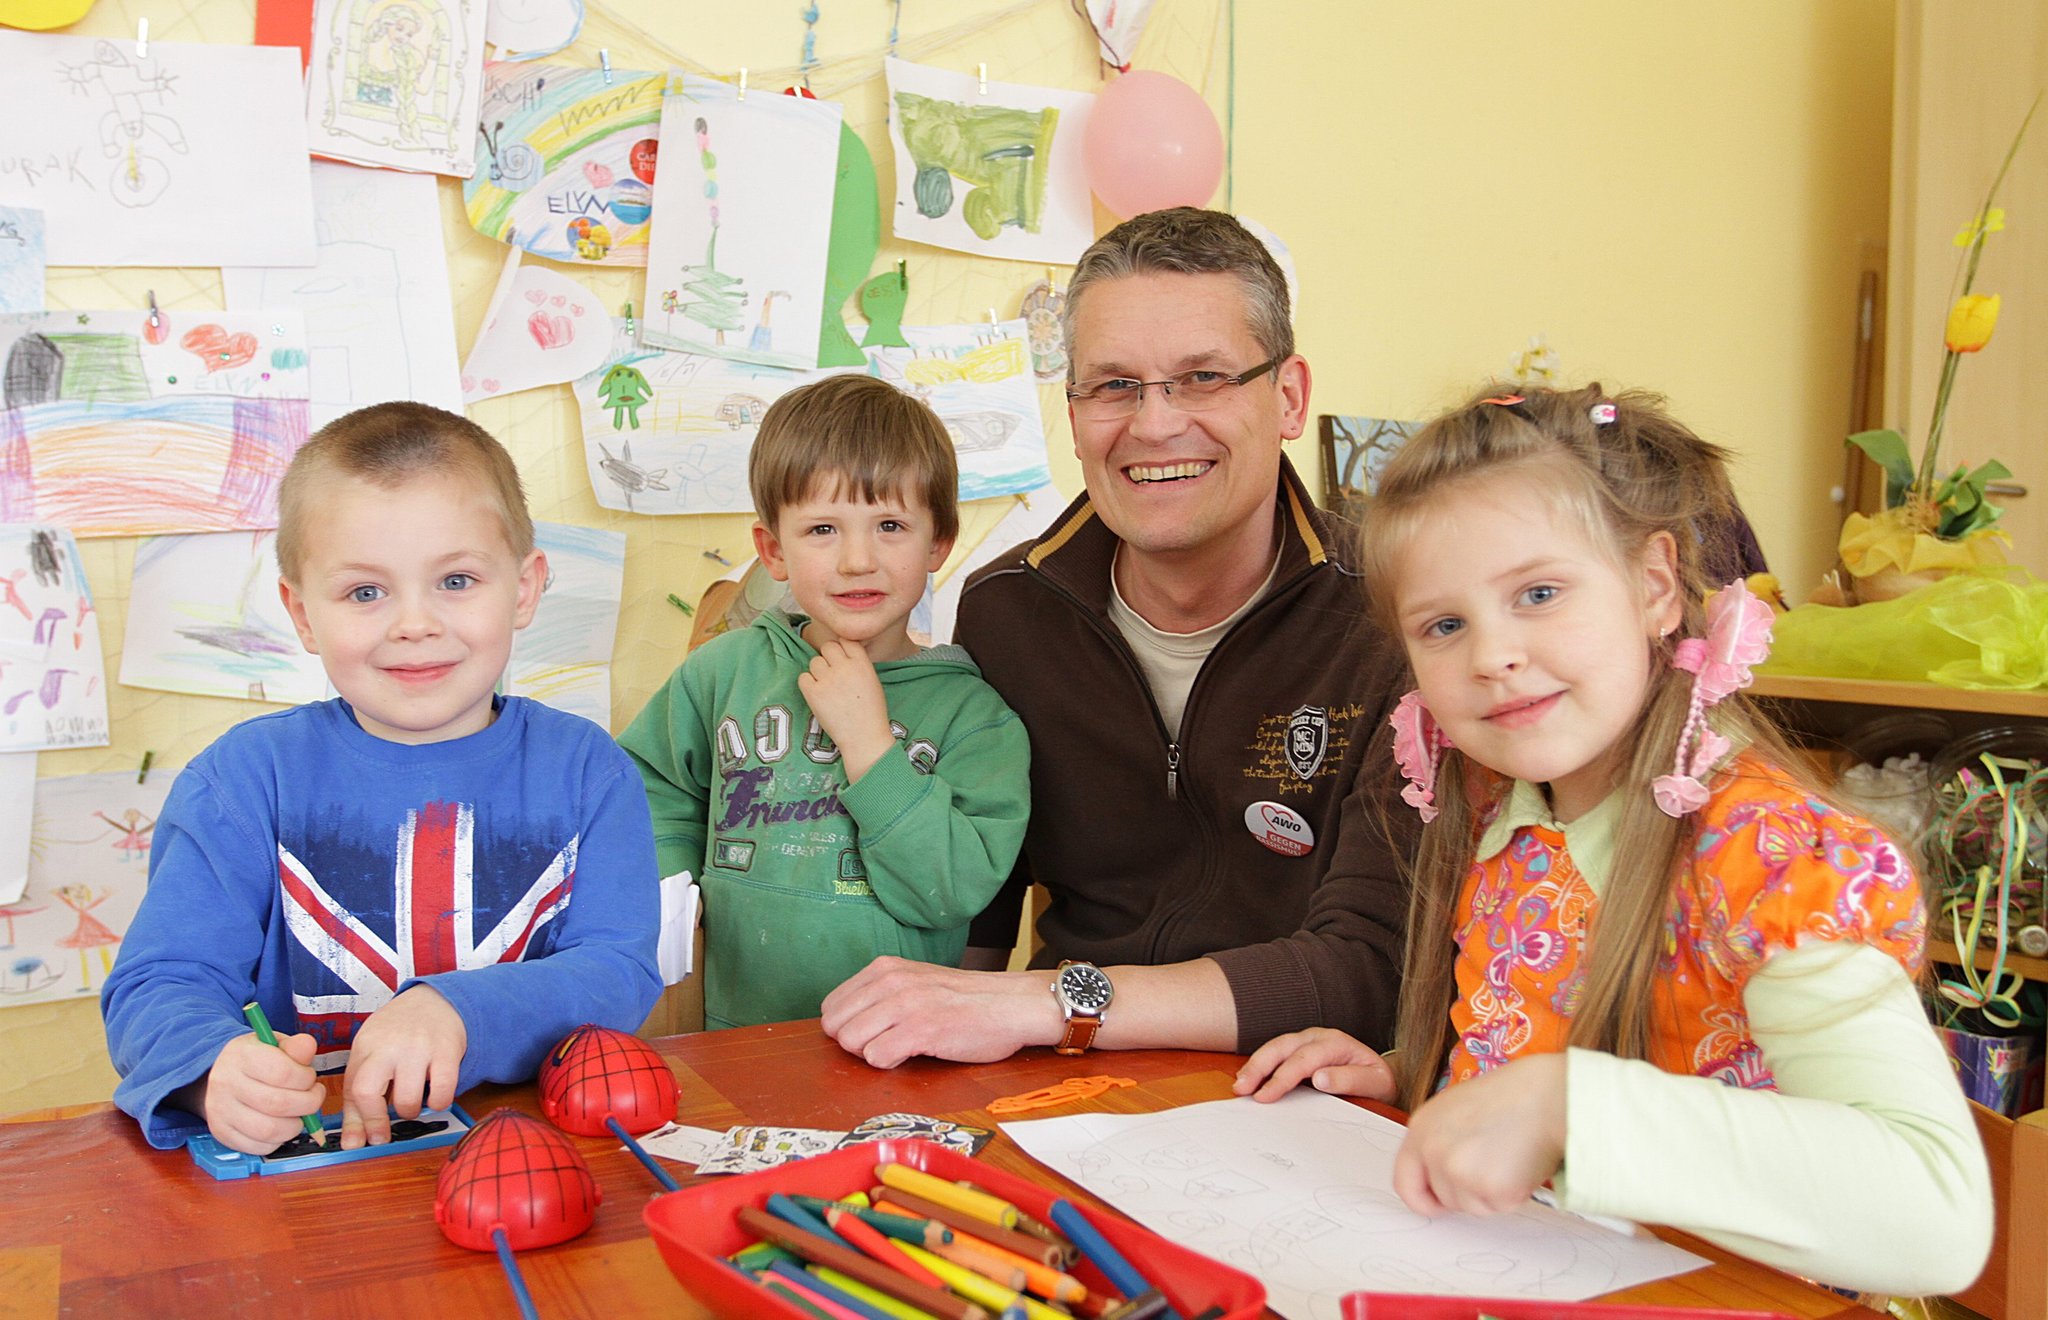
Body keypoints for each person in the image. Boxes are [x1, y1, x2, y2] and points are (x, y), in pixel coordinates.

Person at [1233, 384, 1990, 1294]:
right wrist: (1410, 1079)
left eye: (1539, 593)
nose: (1491, 656)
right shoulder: (1497, 809)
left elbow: (1937, 1220)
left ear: (1654, 586)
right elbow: (1524, 1036)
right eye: (1444, 625)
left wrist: (1565, 1107)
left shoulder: (1774, 857)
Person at [822, 207, 1412, 1067]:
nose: (1155, 424)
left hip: (1292, 1089)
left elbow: (1372, 968)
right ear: (1072, 412)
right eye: (1113, 385)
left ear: (1288, 398)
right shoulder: (1006, 610)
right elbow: (979, 913)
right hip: (1066, 1081)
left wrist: (1055, 1001)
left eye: (1202, 377)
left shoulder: (1398, 620)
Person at [102, 402, 662, 1155]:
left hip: (536, 1152)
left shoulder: (590, 770)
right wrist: (210, 1070)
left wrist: (455, 1010)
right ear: (303, 614)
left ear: (525, 588)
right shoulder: (242, 780)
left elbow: (617, 971)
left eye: (456, 580)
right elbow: (160, 984)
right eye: (366, 593)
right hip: (316, 1172)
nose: (414, 624)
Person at [618, 373, 1030, 1030]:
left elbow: (949, 892)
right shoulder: (722, 671)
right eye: (822, 529)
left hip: (904, 1051)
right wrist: (674, 894)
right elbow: (647, 788)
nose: (857, 559)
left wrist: (871, 747)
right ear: (773, 550)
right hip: (736, 1043)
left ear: (938, 543)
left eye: (890, 525)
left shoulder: (978, 721)